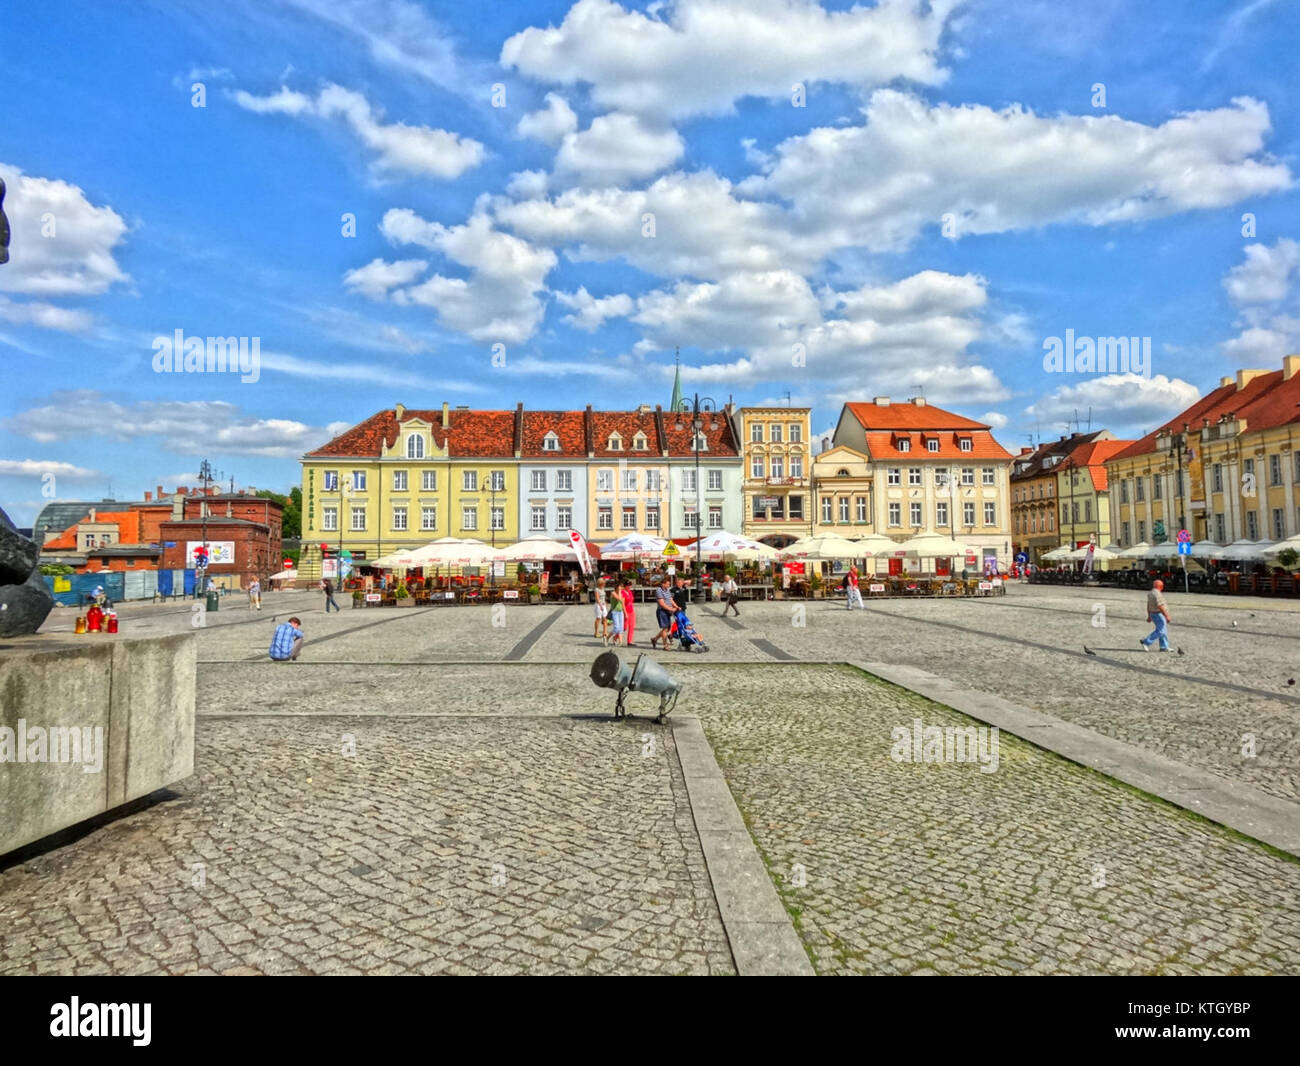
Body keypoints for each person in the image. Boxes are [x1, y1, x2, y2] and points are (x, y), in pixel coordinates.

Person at [1140, 579, 1172, 652]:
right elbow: (1160, 606)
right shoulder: (1157, 594)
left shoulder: (1150, 593)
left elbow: (1148, 605)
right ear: (1161, 586)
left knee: (1162, 630)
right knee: (1161, 630)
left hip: (1153, 613)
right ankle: (1146, 642)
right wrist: (1167, 615)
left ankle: (1164, 646)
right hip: (1158, 614)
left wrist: (1149, 615)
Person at [651, 576, 675, 649]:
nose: (669, 585)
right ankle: (665, 645)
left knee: (667, 628)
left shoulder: (667, 590)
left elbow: (670, 599)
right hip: (662, 611)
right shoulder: (659, 590)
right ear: (663, 584)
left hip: (667, 611)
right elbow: (662, 604)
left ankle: (654, 639)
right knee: (665, 628)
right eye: (667, 584)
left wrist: (676, 606)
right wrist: (670, 609)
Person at [620, 577, 637, 646]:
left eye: (630, 585)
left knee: (632, 626)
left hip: (631, 610)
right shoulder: (622, 592)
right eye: (628, 585)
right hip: (626, 611)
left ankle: (629, 641)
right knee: (624, 627)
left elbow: (632, 600)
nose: (629, 586)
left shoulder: (630, 592)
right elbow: (623, 603)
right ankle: (616, 636)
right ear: (625, 586)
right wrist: (625, 613)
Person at [592, 576, 609, 642]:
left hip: (603, 605)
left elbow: (603, 598)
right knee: (598, 618)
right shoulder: (596, 589)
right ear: (600, 583)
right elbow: (597, 598)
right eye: (603, 583)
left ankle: (605, 632)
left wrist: (605, 603)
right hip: (598, 605)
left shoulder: (602, 589)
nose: (604, 584)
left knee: (605, 619)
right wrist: (600, 605)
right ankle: (596, 632)